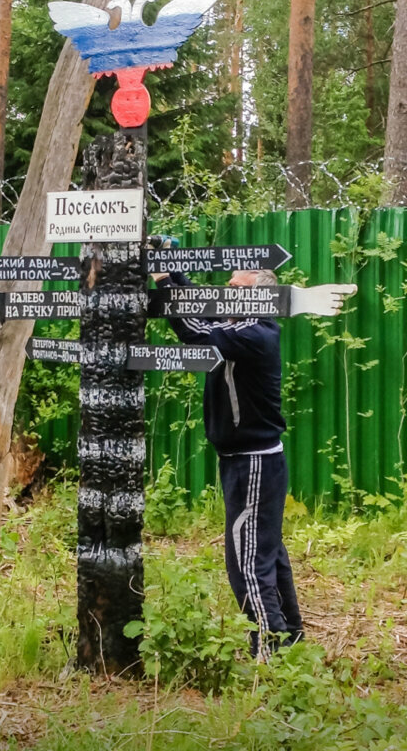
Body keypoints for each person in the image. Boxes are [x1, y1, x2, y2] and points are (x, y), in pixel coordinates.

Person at [151, 266, 303, 660]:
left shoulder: (254, 333)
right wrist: (175, 273)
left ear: (257, 297)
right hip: (247, 460)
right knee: (266, 551)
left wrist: (163, 283)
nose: (227, 291)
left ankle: (270, 651)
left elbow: (196, 332)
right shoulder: (239, 323)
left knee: (247, 561)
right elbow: (204, 309)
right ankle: (290, 639)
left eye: (236, 287)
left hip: (254, 463)